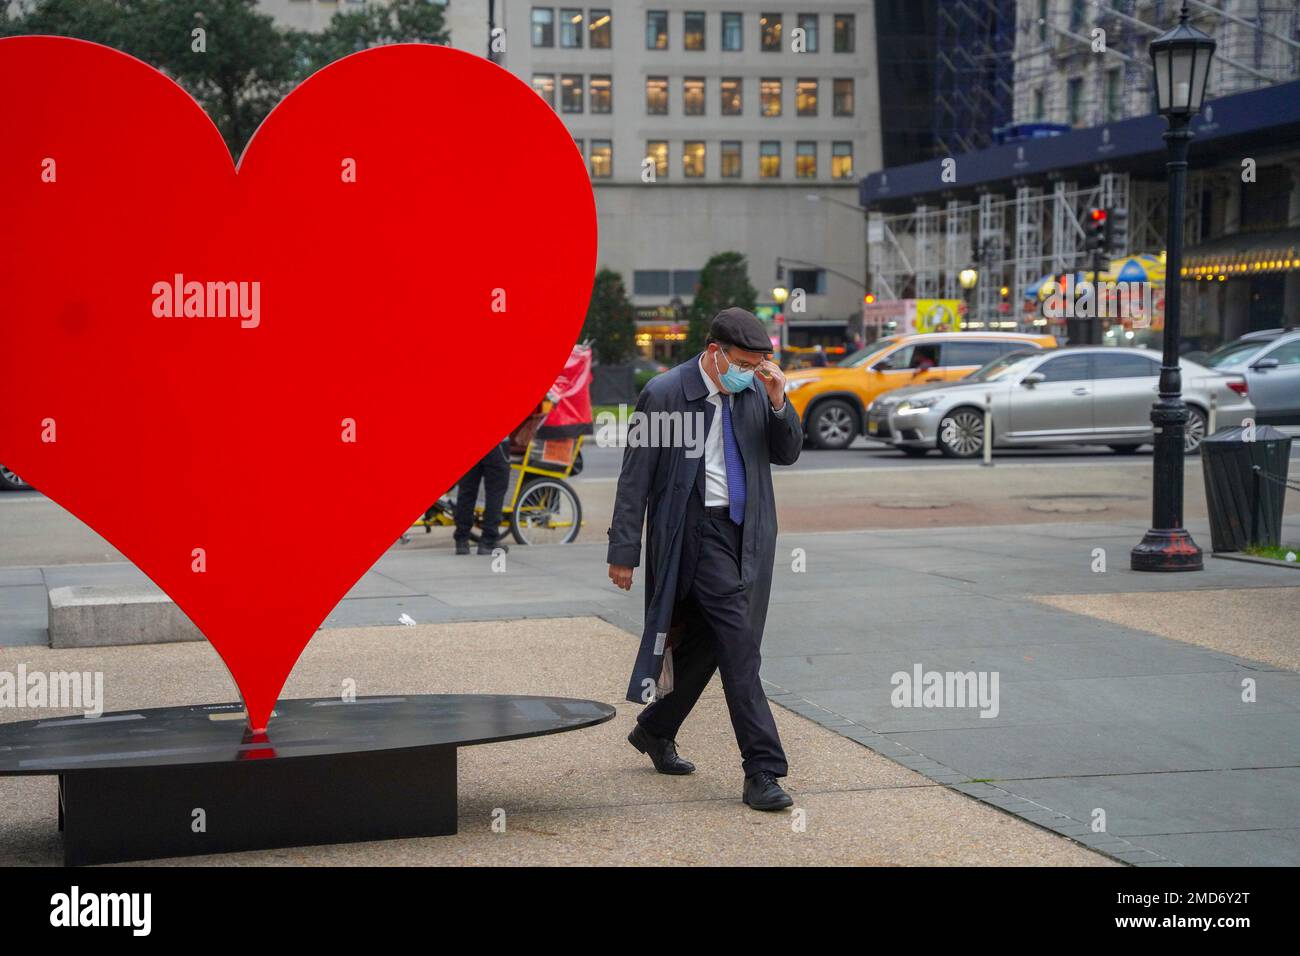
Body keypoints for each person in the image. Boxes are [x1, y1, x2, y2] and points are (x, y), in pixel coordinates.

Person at [607, 307, 803, 811]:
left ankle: (655, 729)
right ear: (715, 353)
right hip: (694, 531)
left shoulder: (758, 388)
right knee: (740, 645)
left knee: (711, 643)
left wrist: (780, 401)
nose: (751, 374)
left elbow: (787, 453)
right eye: (743, 363)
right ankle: (763, 770)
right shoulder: (667, 393)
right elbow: (635, 478)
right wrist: (624, 551)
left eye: (760, 366)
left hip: (748, 533)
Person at [453, 439, 511, 555]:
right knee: (495, 492)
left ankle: (462, 540)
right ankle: (488, 541)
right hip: (497, 446)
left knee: (466, 491)